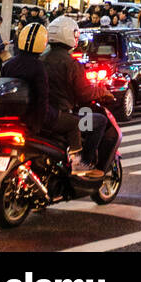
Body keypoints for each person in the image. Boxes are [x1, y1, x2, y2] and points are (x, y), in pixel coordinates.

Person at [43, 16, 104, 180]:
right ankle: (83, 162)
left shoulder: (41, 59)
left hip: (42, 112)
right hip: (61, 113)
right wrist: (102, 92)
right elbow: (84, 93)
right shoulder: (71, 64)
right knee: (97, 121)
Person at [2, 21, 52, 134]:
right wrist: (39, 123)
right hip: (29, 118)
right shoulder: (38, 66)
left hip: (9, 116)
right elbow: (42, 97)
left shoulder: (9, 64)